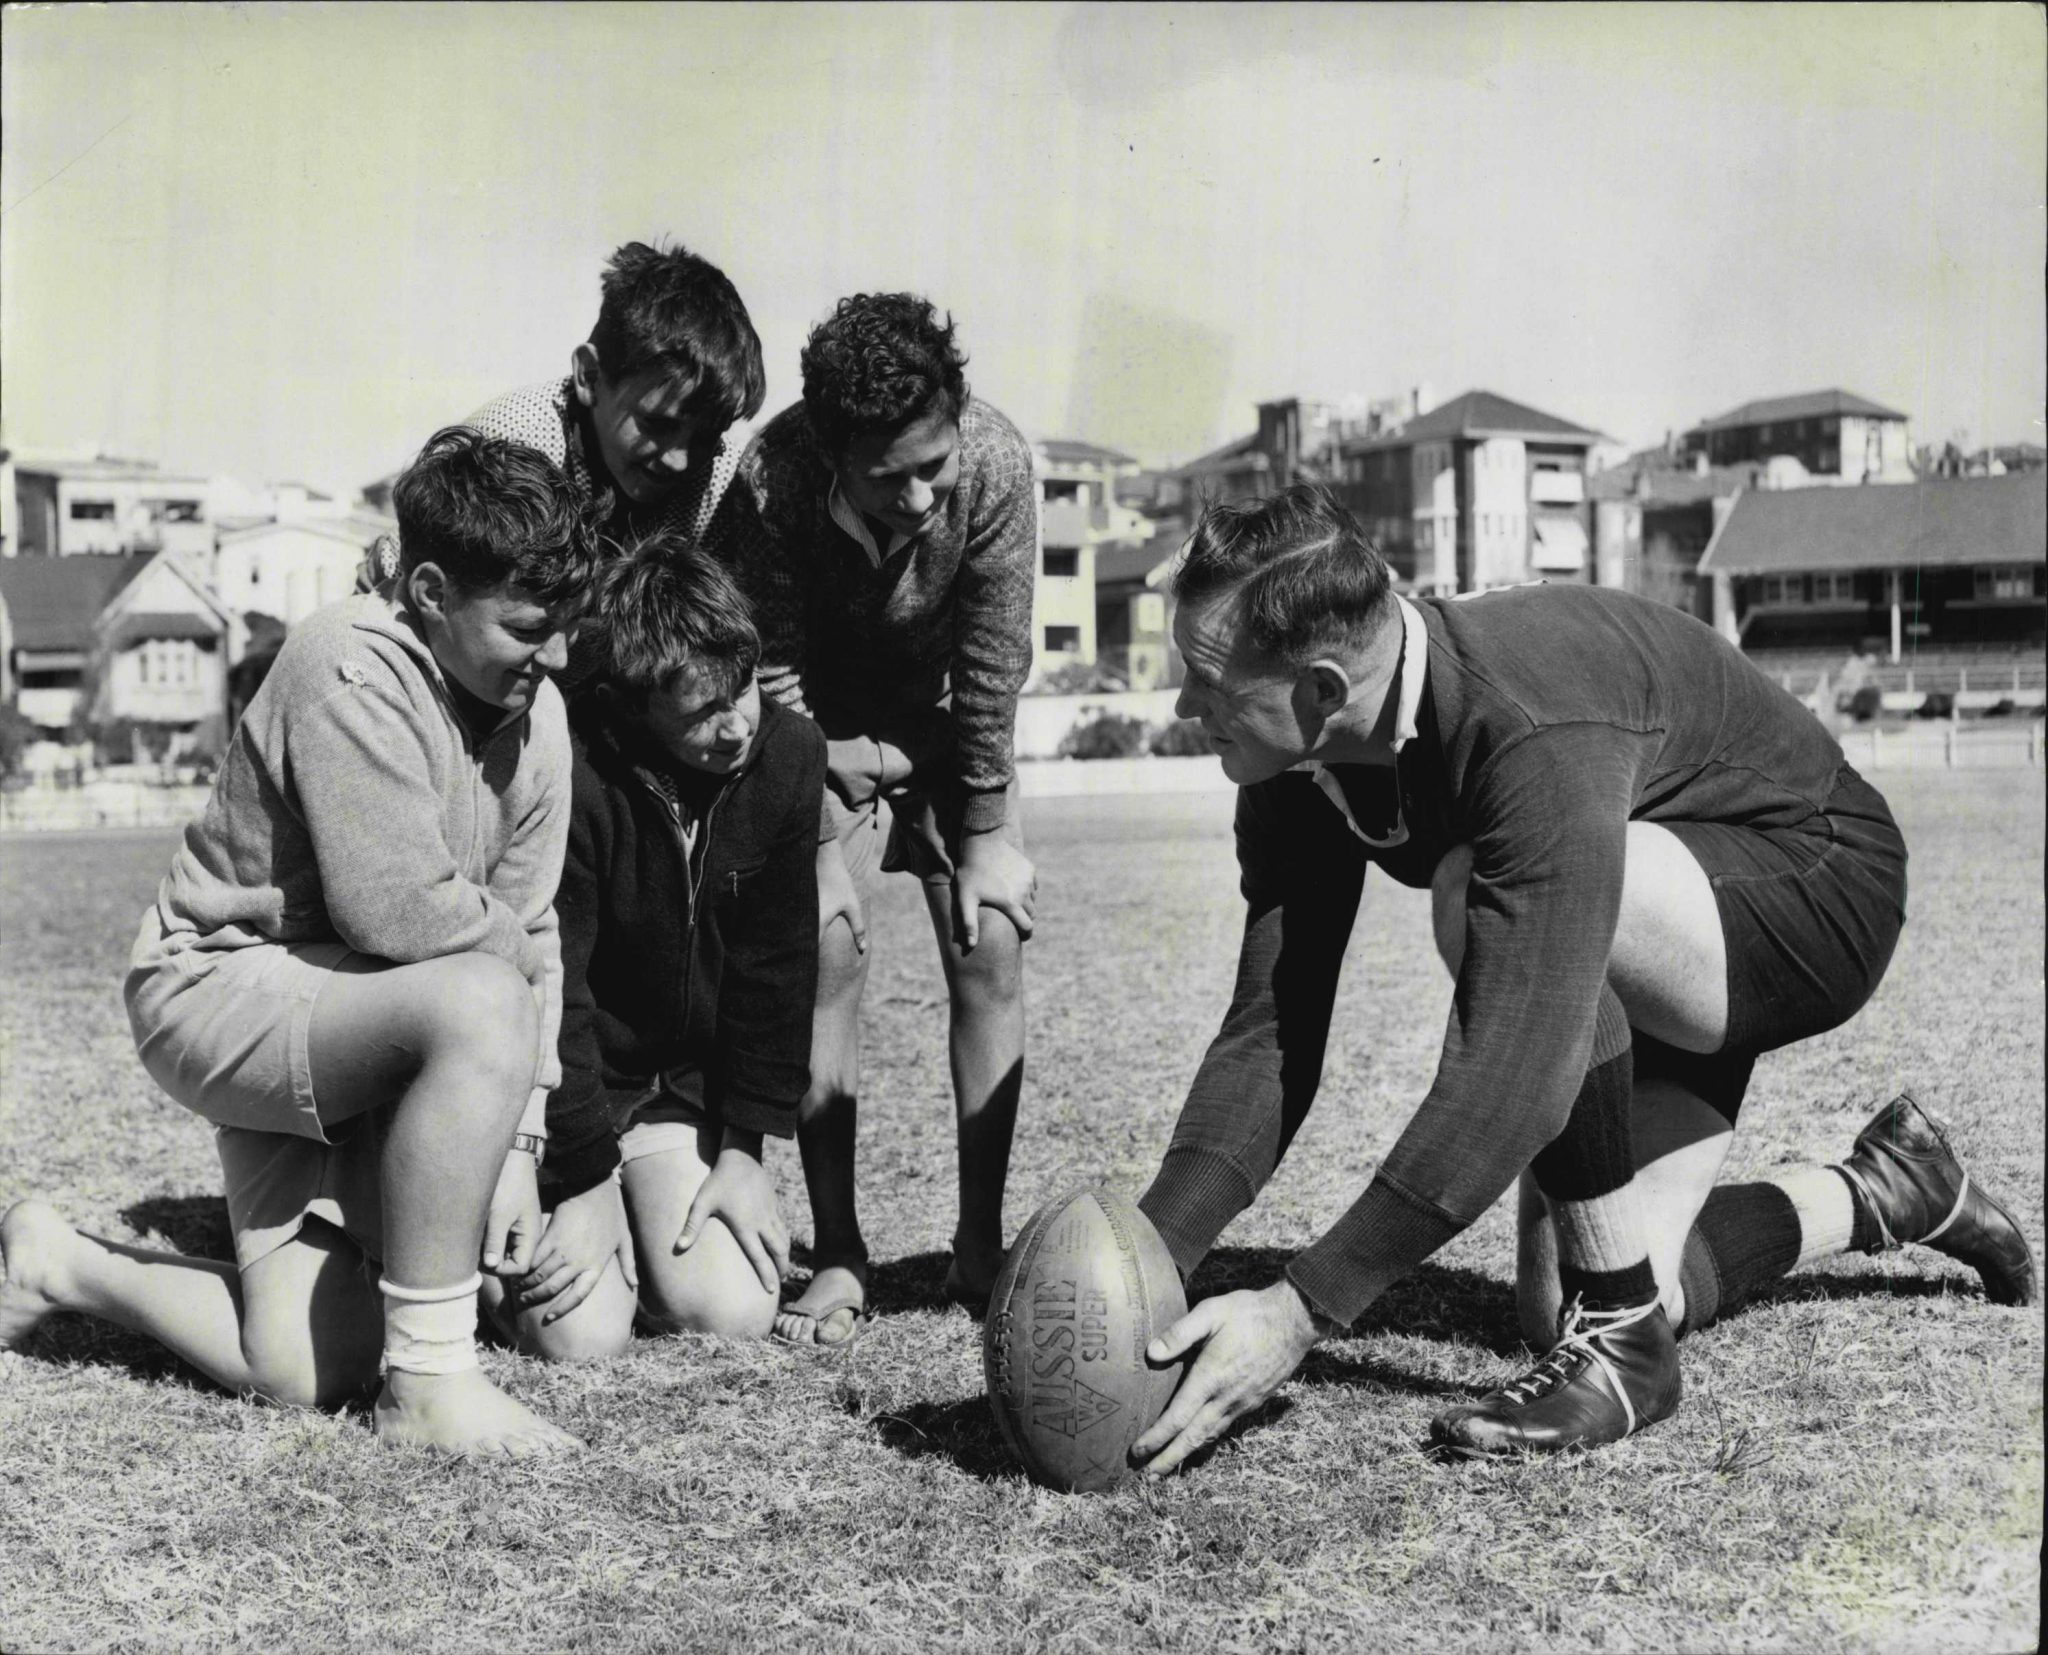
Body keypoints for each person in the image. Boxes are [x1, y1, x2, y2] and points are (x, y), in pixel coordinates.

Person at [1124, 483, 2035, 1473]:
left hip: (1810, 880)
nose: (1182, 703)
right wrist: (1145, 1259)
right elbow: (1272, 1022)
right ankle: (1889, 1188)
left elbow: (1513, 1066)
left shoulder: (1521, 715)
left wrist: (1299, 1308)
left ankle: (1623, 1344)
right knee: (1550, 1303)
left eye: (1207, 680)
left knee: (1476, 898)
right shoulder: (1296, 759)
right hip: (1649, 902)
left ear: (1321, 687)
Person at [1, 428, 599, 1458]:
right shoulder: (346, 660)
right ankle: (430, 1381)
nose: (551, 657)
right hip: (222, 987)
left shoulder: (536, 717)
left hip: (370, 1014)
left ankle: (57, 1259)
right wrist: (516, 966)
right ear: (425, 588)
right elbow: (400, 912)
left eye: (564, 629)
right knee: (484, 997)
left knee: (305, 1364)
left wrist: (525, 1137)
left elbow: (528, 923)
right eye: (526, 627)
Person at [709, 293, 1039, 1345]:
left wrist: (985, 833)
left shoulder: (994, 463)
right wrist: (814, 818)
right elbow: (765, 669)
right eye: (885, 475)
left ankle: (978, 1245)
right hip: (815, 732)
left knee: (989, 944)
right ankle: (840, 1248)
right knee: (827, 947)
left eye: (930, 464)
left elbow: (992, 661)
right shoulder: (769, 479)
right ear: (828, 448)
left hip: (941, 726)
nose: (918, 498)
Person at [485, 534, 824, 1356]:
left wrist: (744, 1151)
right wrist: (586, 1176)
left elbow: (775, 969)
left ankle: (645, 1236)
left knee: (733, 1307)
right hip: (581, 1088)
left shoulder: (790, 755)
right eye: (702, 711)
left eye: (741, 689)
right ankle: (481, 1239)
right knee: (577, 1335)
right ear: (635, 701)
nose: (737, 724)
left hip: (681, 1096)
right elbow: (554, 988)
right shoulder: (574, 766)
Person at [360, 239, 764, 672]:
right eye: (657, 425)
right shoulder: (513, 440)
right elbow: (396, 587)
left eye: (706, 437)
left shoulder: (724, 482)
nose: (680, 461)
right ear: (589, 375)